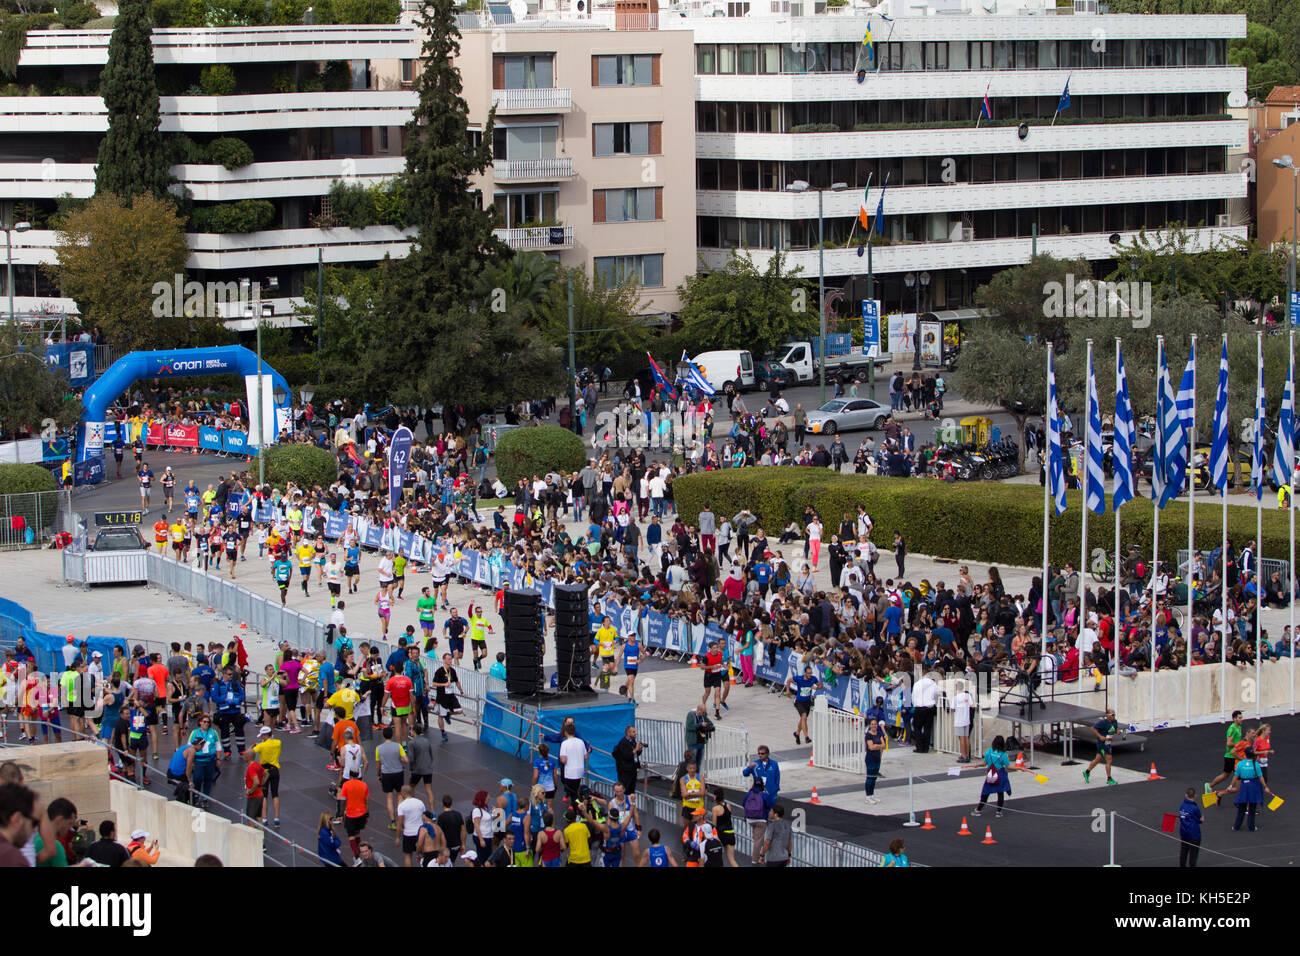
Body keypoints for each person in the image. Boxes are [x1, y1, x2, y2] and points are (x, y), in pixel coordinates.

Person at [1220, 747, 1274, 832]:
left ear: (1245, 755)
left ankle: (1236, 827)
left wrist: (1231, 785)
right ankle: (1251, 827)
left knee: (1242, 807)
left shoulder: (1240, 764)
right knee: (1252, 808)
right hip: (1253, 787)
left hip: (1244, 787)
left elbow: (1236, 776)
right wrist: (1265, 787)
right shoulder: (1256, 764)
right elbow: (1260, 777)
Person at [374, 726, 408, 830]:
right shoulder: (398, 746)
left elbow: (378, 764)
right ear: (392, 735)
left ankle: (393, 822)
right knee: (399, 796)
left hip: (386, 774)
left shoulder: (378, 748)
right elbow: (405, 760)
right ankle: (401, 820)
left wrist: (378, 774)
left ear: (383, 736)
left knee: (389, 798)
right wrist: (399, 759)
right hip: (398, 772)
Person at [974, 734, 1013, 818]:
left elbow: (984, 763)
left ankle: (978, 810)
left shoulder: (989, 751)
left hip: (991, 774)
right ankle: (998, 812)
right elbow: (1008, 766)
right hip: (1000, 775)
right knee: (1000, 793)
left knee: (986, 792)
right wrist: (1019, 768)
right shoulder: (1003, 755)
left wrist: (977, 765)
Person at [1207, 710, 1246, 793]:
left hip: (1235, 756)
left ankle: (1238, 790)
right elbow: (1229, 743)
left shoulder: (1239, 727)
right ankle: (1210, 786)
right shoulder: (1232, 729)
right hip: (1230, 756)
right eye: (1239, 718)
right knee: (1226, 775)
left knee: (1235, 775)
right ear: (1234, 719)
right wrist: (1240, 745)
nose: (1241, 719)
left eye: (1241, 717)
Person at [252, 725, 283, 826]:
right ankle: (276, 818)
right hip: (275, 771)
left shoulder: (261, 746)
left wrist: (254, 746)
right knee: (275, 794)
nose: (261, 737)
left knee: (264, 795)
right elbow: (272, 743)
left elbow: (250, 753)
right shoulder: (278, 743)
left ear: (265, 735)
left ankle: (264, 819)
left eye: (262, 736)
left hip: (264, 772)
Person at [784, 664, 821, 746]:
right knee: (804, 717)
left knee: (802, 719)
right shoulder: (799, 678)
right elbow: (789, 680)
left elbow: (820, 685)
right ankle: (806, 737)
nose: (810, 675)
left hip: (807, 702)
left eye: (811, 673)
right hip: (799, 701)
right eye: (808, 673)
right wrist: (788, 690)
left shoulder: (813, 679)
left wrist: (816, 687)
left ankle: (797, 734)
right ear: (805, 673)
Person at [1083, 707, 1120, 786]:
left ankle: (1086, 772)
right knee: (1109, 760)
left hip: (1108, 742)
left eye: (1114, 714)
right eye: (1112, 714)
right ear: (1107, 715)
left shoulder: (1115, 722)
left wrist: (1118, 731)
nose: (1114, 716)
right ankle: (1109, 779)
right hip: (1102, 744)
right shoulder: (1103, 722)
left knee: (1097, 760)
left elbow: (1115, 729)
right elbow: (1093, 728)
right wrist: (1100, 736)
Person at [394, 785, 425, 868]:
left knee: (408, 855)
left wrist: (397, 837)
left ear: (403, 793)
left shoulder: (402, 806)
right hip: (420, 832)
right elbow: (424, 817)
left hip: (408, 833)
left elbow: (400, 823)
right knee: (423, 854)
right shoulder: (420, 802)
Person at [864, 716, 886, 805]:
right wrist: (878, 746)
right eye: (872, 724)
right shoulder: (868, 735)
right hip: (870, 758)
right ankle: (867, 796)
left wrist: (877, 746)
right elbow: (871, 747)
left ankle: (872, 794)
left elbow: (883, 745)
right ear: (870, 725)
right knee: (869, 777)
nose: (874, 726)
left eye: (875, 724)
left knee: (874, 777)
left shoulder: (879, 734)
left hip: (877, 757)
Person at [1178, 787, 1202, 867]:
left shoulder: (1182, 805)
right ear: (1195, 795)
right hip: (1194, 834)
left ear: (1186, 795)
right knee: (1193, 853)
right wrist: (1202, 819)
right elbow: (1199, 819)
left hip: (1184, 832)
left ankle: (1182, 865)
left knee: (1184, 850)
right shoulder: (1194, 808)